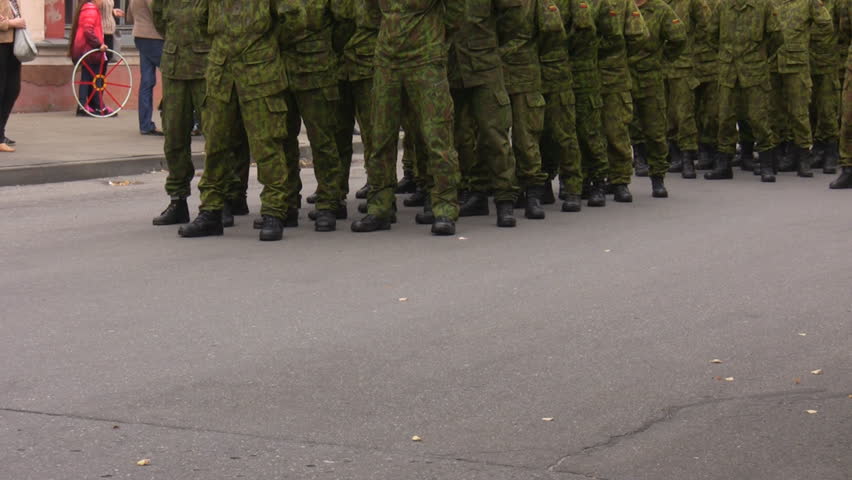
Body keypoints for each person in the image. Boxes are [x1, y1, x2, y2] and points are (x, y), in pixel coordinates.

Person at [179, 0, 306, 241]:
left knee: (267, 144)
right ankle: (211, 211)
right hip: (222, 70)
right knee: (215, 145)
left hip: (259, 70)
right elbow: (200, 17)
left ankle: (274, 211)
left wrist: (265, 44)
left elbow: (295, 18)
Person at [352, 0, 460, 236]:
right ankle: (380, 207)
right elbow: (370, 13)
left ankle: (444, 208)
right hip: (387, 60)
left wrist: (435, 37)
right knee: (380, 136)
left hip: (426, 59)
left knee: (437, 137)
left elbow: (457, 11)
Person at [704, 0, 782, 182]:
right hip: (728, 72)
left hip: (754, 71)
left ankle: (766, 165)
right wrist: (727, 55)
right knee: (725, 118)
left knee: (758, 118)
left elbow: (777, 37)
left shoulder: (763, 6)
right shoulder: (722, 6)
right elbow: (712, 35)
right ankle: (723, 165)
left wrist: (759, 56)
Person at [628, 0, 686, 198]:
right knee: (618, 130)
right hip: (622, 76)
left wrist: (661, 59)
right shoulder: (620, 6)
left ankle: (658, 177)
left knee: (655, 130)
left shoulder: (660, 9)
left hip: (650, 78)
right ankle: (618, 179)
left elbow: (678, 38)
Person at [127, 0, 164, 135]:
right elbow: (158, 15)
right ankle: (170, 120)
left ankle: (145, 124)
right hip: (155, 37)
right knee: (172, 76)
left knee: (147, 82)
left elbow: (129, 17)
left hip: (140, 36)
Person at [70, 0, 109, 116]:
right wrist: (98, 44)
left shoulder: (88, 8)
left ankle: (91, 105)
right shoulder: (90, 9)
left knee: (90, 78)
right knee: (89, 78)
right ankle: (88, 106)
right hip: (89, 49)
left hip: (88, 49)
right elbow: (88, 29)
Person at [0, 0, 25, 152]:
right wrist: (12, 23)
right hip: (1, 47)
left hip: (14, 47)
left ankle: (1, 131)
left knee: (13, 89)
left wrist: (10, 21)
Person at [100, 0, 124, 115]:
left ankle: (98, 102)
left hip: (109, 33)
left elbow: (104, 10)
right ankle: (97, 104)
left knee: (103, 70)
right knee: (98, 71)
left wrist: (112, 12)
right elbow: (94, 10)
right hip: (101, 34)